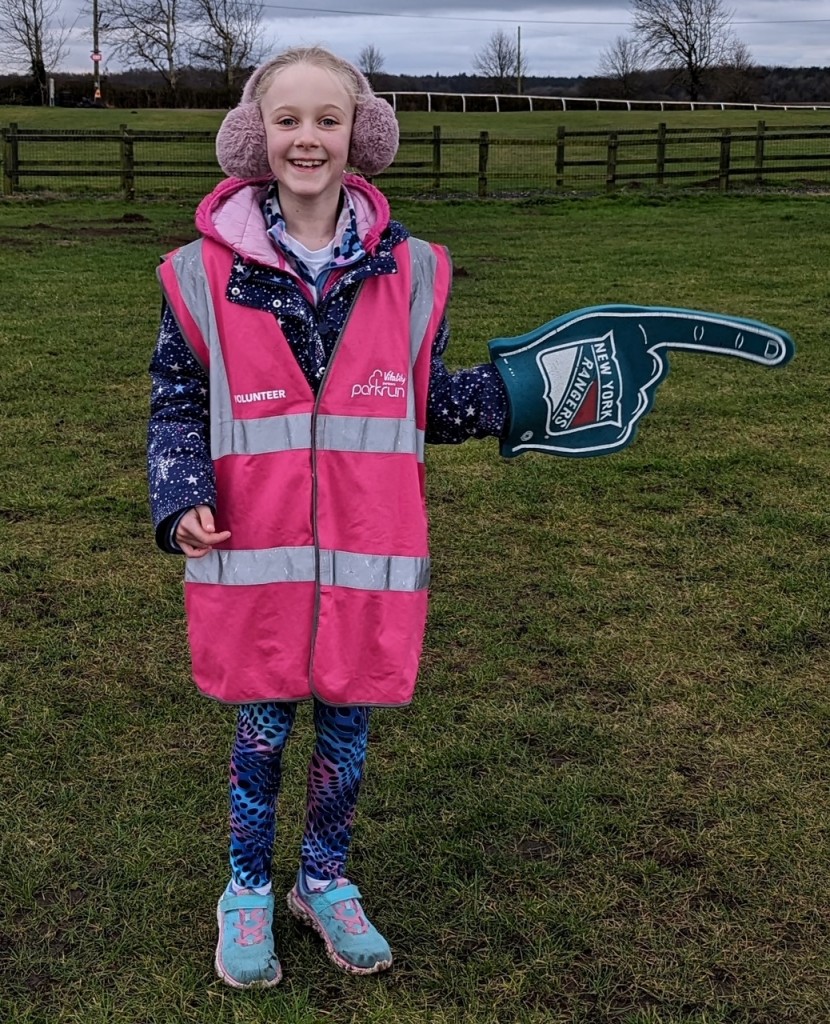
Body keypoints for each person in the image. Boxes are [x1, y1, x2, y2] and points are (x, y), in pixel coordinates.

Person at [147, 46, 510, 989]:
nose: (307, 138)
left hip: (364, 559)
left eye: (328, 120)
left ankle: (324, 880)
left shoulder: (416, 270)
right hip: (256, 555)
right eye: (287, 120)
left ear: (362, 135)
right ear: (254, 137)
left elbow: (418, 400)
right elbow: (178, 398)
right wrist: (180, 491)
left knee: (344, 738)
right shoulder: (199, 275)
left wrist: (518, 397)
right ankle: (246, 892)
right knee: (262, 733)